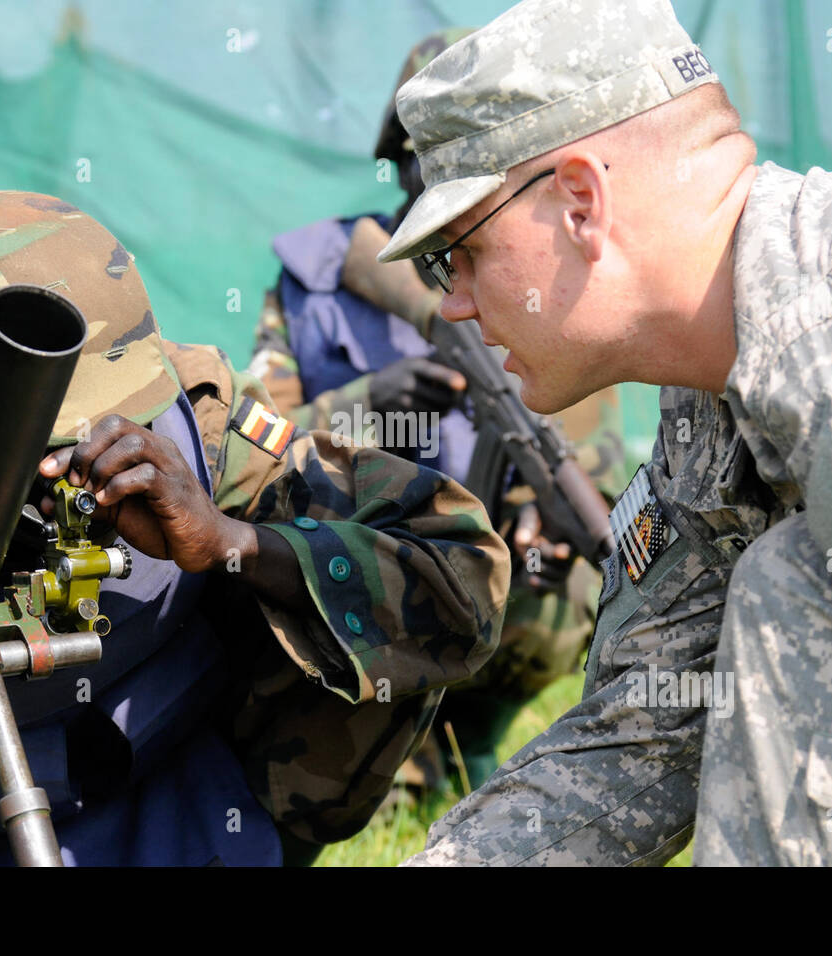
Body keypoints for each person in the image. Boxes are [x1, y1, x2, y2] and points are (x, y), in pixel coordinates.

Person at [377, 0, 832, 866]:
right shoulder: (721, 396)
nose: (452, 299)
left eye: (456, 251)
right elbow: (642, 735)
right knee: (793, 592)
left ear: (581, 202)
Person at [0, 190, 509, 866]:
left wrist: (233, 546)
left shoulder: (195, 438)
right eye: (52, 450)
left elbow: (461, 576)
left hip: (197, 813)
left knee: (357, 596)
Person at [249, 29, 628, 790]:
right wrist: (368, 404)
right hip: (350, 546)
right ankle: (361, 760)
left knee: (579, 579)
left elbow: (590, 452)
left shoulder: (544, 281)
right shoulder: (321, 281)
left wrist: (533, 517)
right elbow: (251, 443)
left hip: (479, 563)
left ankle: (464, 743)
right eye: (428, 149)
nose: (443, 173)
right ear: (399, 155)